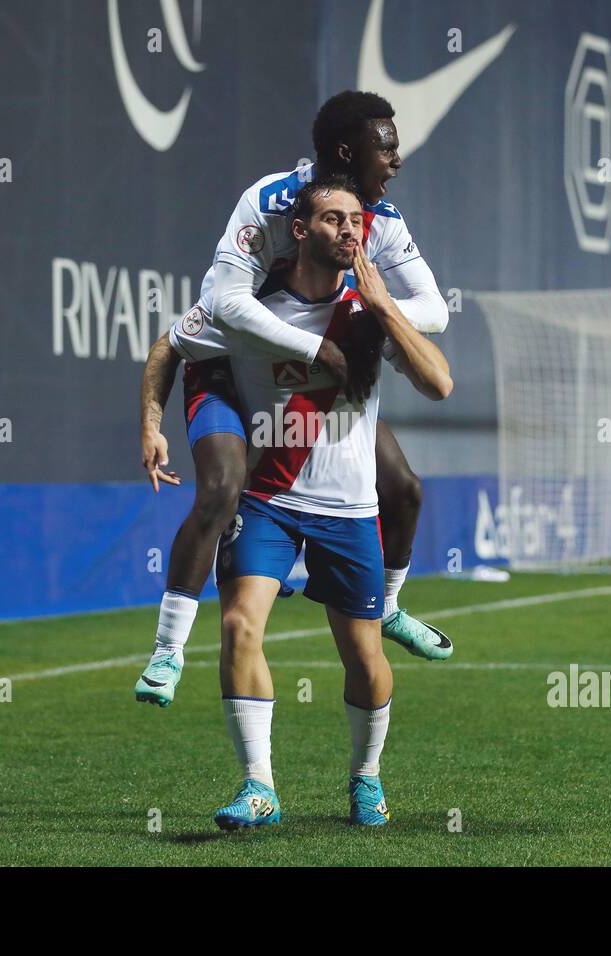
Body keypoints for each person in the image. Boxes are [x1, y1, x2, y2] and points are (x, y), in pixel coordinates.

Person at [136, 91, 452, 709]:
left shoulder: (379, 220)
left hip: (308, 382)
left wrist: (367, 311)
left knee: (404, 488)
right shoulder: (270, 200)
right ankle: (169, 647)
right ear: (344, 153)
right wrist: (152, 421)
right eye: (384, 146)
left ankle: (386, 606)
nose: (396, 158)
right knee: (225, 485)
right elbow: (215, 312)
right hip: (232, 373)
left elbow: (435, 313)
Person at [153, 175, 452, 827]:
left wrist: (387, 308)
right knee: (237, 627)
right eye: (333, 220)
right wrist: (157, 425)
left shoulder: (368, 314)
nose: (350, 230)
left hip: (347, 508)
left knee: (365, 659)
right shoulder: (246, 311)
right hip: (268, 501)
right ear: (298, 230)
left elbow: (439, 384)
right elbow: (174, 346)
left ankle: (365, 777)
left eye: (358, 221)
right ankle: (259, 786)